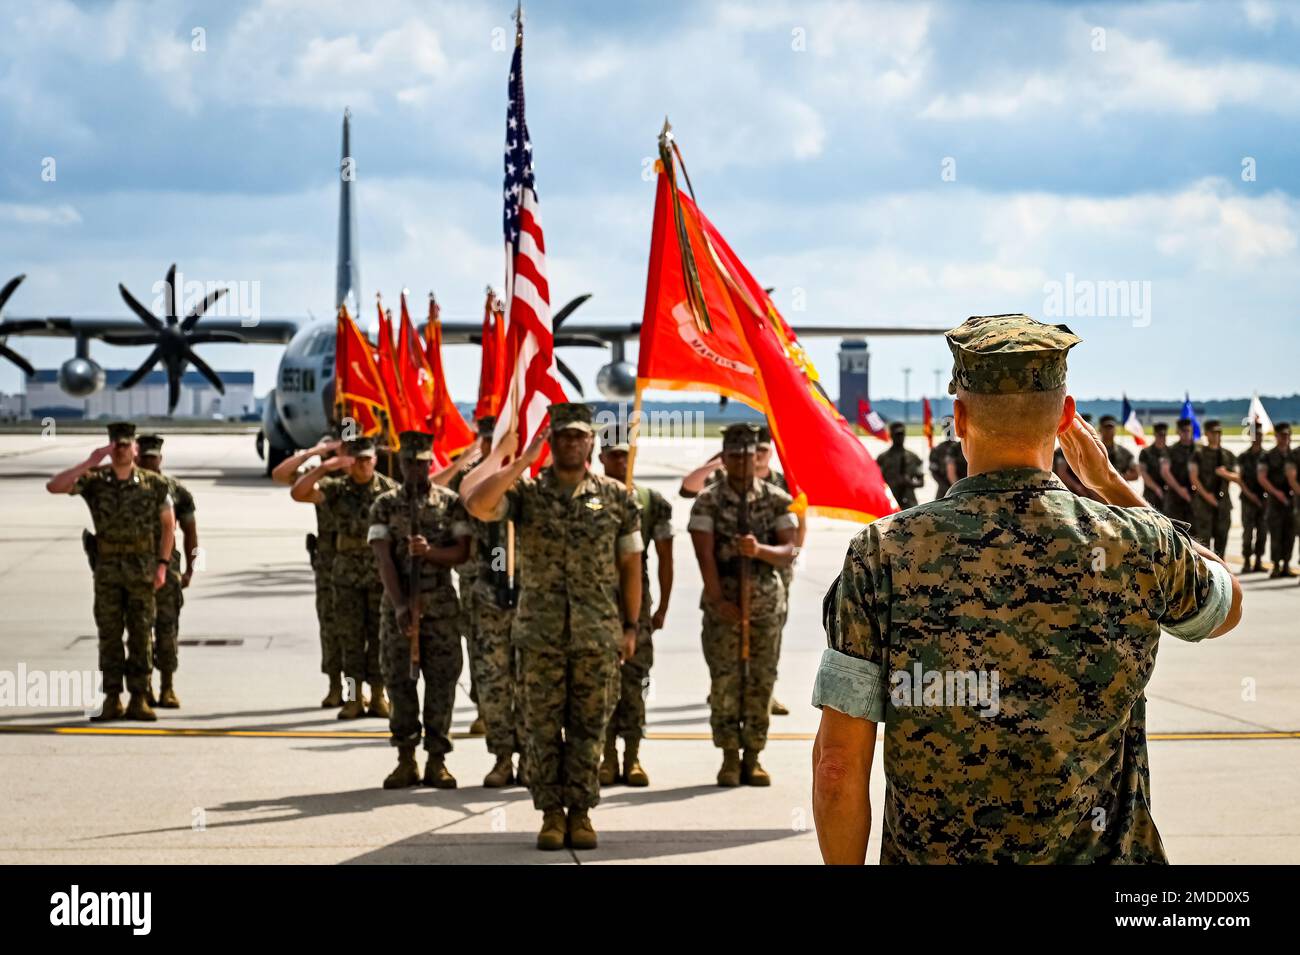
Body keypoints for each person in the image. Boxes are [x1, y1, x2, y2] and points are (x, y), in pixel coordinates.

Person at [812, 314, 1242, 865]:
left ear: (958, 418)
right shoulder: (1137, 543)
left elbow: (838, 767)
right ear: (1066, 417)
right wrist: (1113, 487)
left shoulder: (883, 553)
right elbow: (1226, 602)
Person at [465, 402, 642, 851]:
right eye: (562, 436)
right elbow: (478, 504)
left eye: (579, 435)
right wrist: (521, 463)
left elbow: (630, 565)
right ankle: (549, 814)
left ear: (591, 441)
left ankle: (580, 813)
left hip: (596, 634)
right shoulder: (527, 494)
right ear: (551, 442)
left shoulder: (618, 497)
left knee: (588, 729)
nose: (571, 442)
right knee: (541, 729)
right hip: (538, 634)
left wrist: (630, 625)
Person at [688, 423, 797, 787]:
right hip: (725, 605)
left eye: (747, 455)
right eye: (733, 456)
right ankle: (729, 757)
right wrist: (718, 598)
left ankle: (754, 755)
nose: (741, 462)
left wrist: (759, 550)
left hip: (765, 606)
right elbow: (703, 551)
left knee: (761, 681)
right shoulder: (709, 499)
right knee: (725, 681)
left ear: (757, 456)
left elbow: (788, 551)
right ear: (724, 457)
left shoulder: (775, 498)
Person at [46, 422, 175, 722]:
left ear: (135, 448)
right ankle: (112, 697)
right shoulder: (96, 481)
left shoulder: (153, 484)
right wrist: (90, 461)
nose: (120, 451)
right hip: (107, 571)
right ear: (110, 447)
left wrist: (162, 565)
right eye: (115, 445)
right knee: (109, 635)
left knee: (142, 634)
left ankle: (139, 698)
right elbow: (55, 486)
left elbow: (169, 526)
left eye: (125, 445)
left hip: (142, 570)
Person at [368, 431, 471, 789]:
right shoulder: (384, 504)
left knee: (441, 683)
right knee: (399, 682)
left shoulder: (450, 503)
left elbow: (462, 553)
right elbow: (383, 557)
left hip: (440, 606)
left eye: (422, 463)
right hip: (399, 604)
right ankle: (405, 758)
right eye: (409, 462)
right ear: (401, 463)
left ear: (431, 463)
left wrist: (429, 554)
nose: (416, 469)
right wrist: (399, 606)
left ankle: (437, 759)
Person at [292, 436, 397, 717]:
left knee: (379, 638)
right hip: (346, 575)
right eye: (358, 460)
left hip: (378, 574)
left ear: (375, 459)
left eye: (368, 459)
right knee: (349, 639)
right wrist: (325, 467)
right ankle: (352, 698)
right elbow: (299, 492)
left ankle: (377, 695)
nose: (363, 465)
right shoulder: (338, 489)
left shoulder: (388, 490)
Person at [598, 423, 673, 788]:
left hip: (636, 606)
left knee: (635, 680)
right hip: (596, 606)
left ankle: (632, 755)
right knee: (599, 682)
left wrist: (663, 607)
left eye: (624, 455)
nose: (618, 461)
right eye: (612, 455)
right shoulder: (593, 499)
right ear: (600, 458)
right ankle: (606, 756)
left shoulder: (650, 502)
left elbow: (665, 557)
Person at [455, 416, 525, 787]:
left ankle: (531, 757)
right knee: (494, 683)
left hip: (528, 601)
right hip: (489, 600)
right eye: (484, 439)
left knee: (528, 684)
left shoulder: (532, 487)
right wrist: (498, 455)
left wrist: (521, 462)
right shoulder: (478, 478)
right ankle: (502, 758)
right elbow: (467, 495)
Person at [273, 435, 346, 707]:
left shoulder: (365, 475)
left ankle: (365, 690)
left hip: (366, 565)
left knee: (364, 631)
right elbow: (281, 475)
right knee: (330, 629)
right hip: (329, 565)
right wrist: (315, 453)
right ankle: (337, 687)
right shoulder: (320, 479)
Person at [135, 434, 197, 709]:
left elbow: (191, 533)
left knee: (167, 631)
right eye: (144, 458)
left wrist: (190, 570)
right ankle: (143, 687)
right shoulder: (128, 487)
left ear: (161, 459)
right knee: (138, 631)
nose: (150, 463)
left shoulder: (176, 491)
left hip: (167, 570)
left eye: (153, 458)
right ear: (137, 458)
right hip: (133, 570)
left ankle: (167, 687)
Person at [1188, 420, 1238, 558]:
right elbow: (1194, 477)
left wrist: (1225, 474)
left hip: (1223, 504)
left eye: (1218, 433)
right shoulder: (1198, 454)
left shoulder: (1227, 455)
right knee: (1204, 542)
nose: (1216, 436)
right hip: (1204, 505)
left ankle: (1221, 571)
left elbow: (1238, 477)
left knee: (1222, 539)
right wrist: (1207, 496)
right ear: (1207, 434)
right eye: (1213, 433)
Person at [1258, 422, 1295, 578]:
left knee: (1290, 534)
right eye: (1281, 435)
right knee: (1276, 534)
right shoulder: (1267, 456)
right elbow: (1262, 477)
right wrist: (1276, 492)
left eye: (1287, 435)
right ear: (1276, 437)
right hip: (1275, 501)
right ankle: (1276, 565)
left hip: (1293, 501)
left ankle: (1286, 564)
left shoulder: (1294, 455)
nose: (1284, 438)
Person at [1237, 422, 1268, 574]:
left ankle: (1258, 561)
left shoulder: (1267, 456)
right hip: (1248, 500)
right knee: (1248, 532)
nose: (1258, 438)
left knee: (1262, 532)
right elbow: (1240, 479)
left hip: (1264, 500)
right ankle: (1247, 561)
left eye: (1260, 435)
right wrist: (1250, 495)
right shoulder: (1244, 457)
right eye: (1255, 435)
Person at [875, 421, 924, 510]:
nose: (900, 437)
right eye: (897, 435)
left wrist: (909, 482)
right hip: (891, 503)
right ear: (891, 435)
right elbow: (875, 481)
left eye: (901, 434)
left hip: (909, 503)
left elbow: (921, 482)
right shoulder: (882, 458)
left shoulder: (913, 457)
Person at [1160, 417, 1198, 525]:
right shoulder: (1170, 450)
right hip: (1175, 498)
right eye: (1183, 430)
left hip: (1197, 499)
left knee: (1197, 534)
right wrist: (1180, 490)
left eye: (1188, 430)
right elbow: (1165, 472)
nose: (1186, 433)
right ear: (1178, 431)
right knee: (1175, 531)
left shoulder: (1199, 450)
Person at [928, 418, 965, 500]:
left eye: (951, 427)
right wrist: (946, 486)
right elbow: (934, 471)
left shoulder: (962, 448)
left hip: (962, 489)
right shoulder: (936, 450)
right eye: (947, 427)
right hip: (943, 491)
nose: (949, 430)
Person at [1138, 422, 1170, 509]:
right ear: (1155, 435)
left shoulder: (1170, 452)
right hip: (1150, 494)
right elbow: (1143, 472)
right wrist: (1156, 488)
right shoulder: (1146, 452)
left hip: (1169, 496)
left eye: (1164, 435)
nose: (1162, 438)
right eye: (1160, 435)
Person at [1097, 415, 1139, 481]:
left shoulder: (1124, 452)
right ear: (1100, 429)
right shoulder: (1094, 450)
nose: (1109, 430)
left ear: (1115, 429)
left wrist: (1119, 478)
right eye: (1106, 427)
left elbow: (1135, 474)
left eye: (1111, 427)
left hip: (1119, 488)